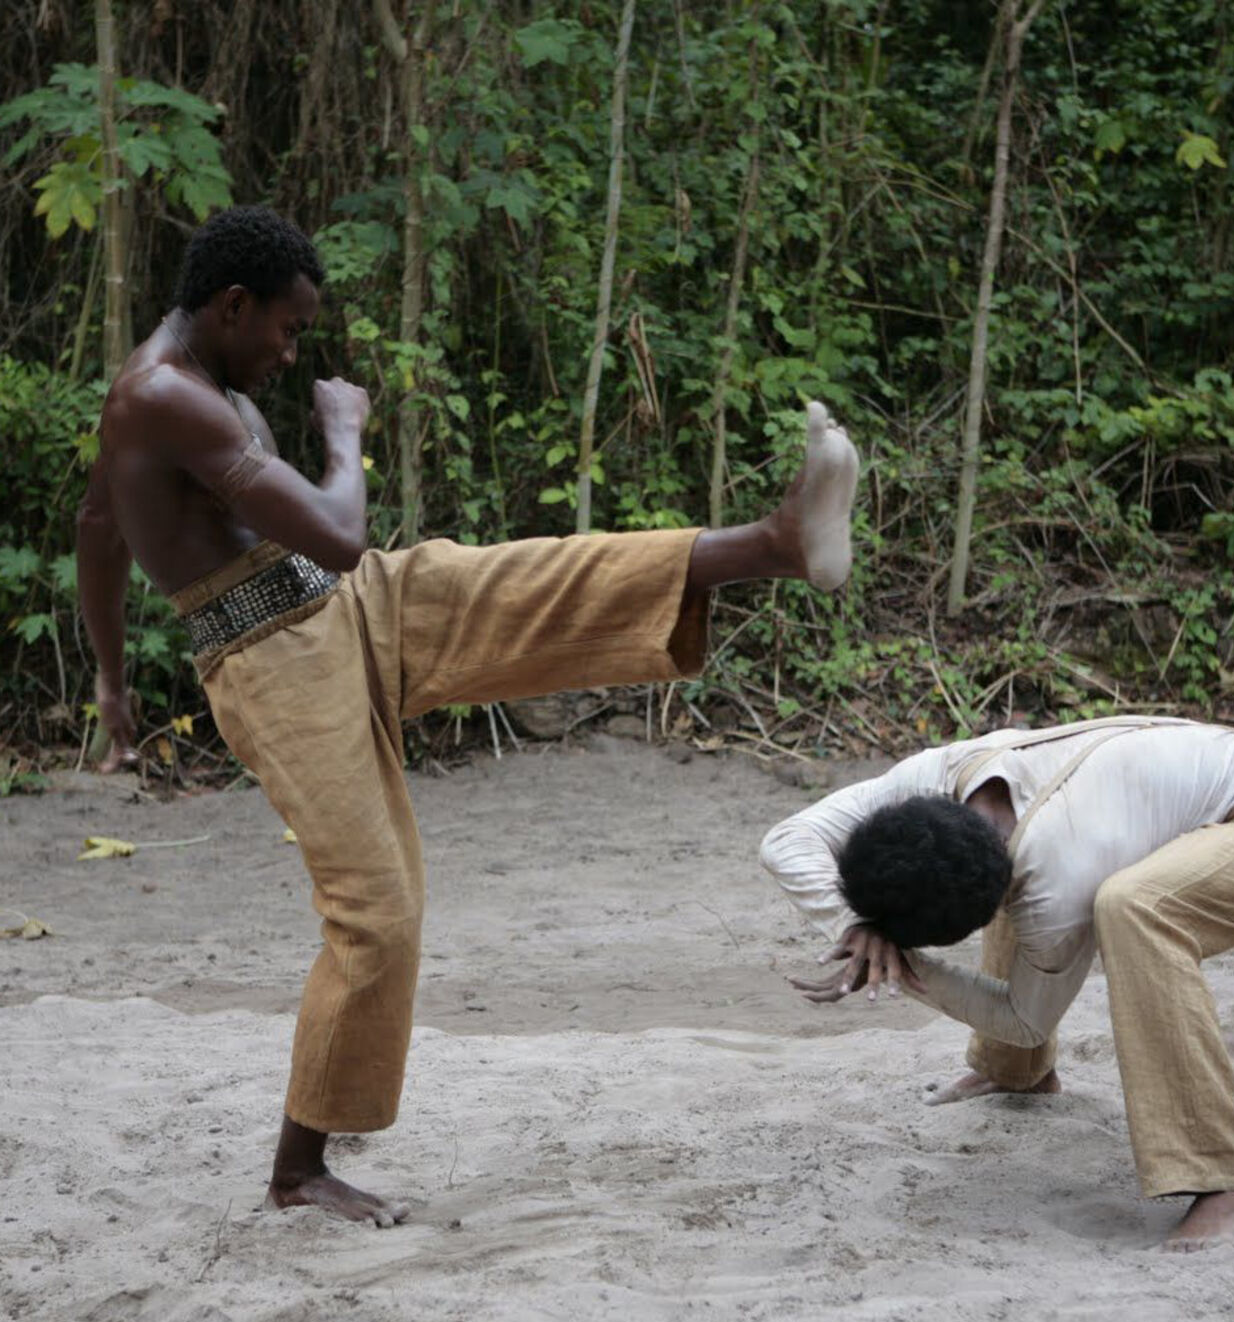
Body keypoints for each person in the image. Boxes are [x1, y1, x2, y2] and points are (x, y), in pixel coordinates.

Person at [78, 205, 862, 1226]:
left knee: (519, 581)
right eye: (286, 327)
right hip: (274, 659)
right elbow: (342, 530)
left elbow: (100, 521)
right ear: (233, 307)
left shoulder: (188, 384)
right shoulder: (162, 395)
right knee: (378, 909)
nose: (290, 349)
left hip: (331, 602)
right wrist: (344, 434)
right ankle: (294, 1170)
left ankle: (772, 542)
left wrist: (110, 680)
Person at [760, 715, 1234, 1250]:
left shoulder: (1059, 874)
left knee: (1133, 907)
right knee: (1015, 871)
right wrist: (858, 927)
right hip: (1182, 793)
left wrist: (911, 970)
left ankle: (1229, 1185)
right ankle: (1016, 1071)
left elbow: (1024, 1016)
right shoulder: (932, 777)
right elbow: (785, 841)